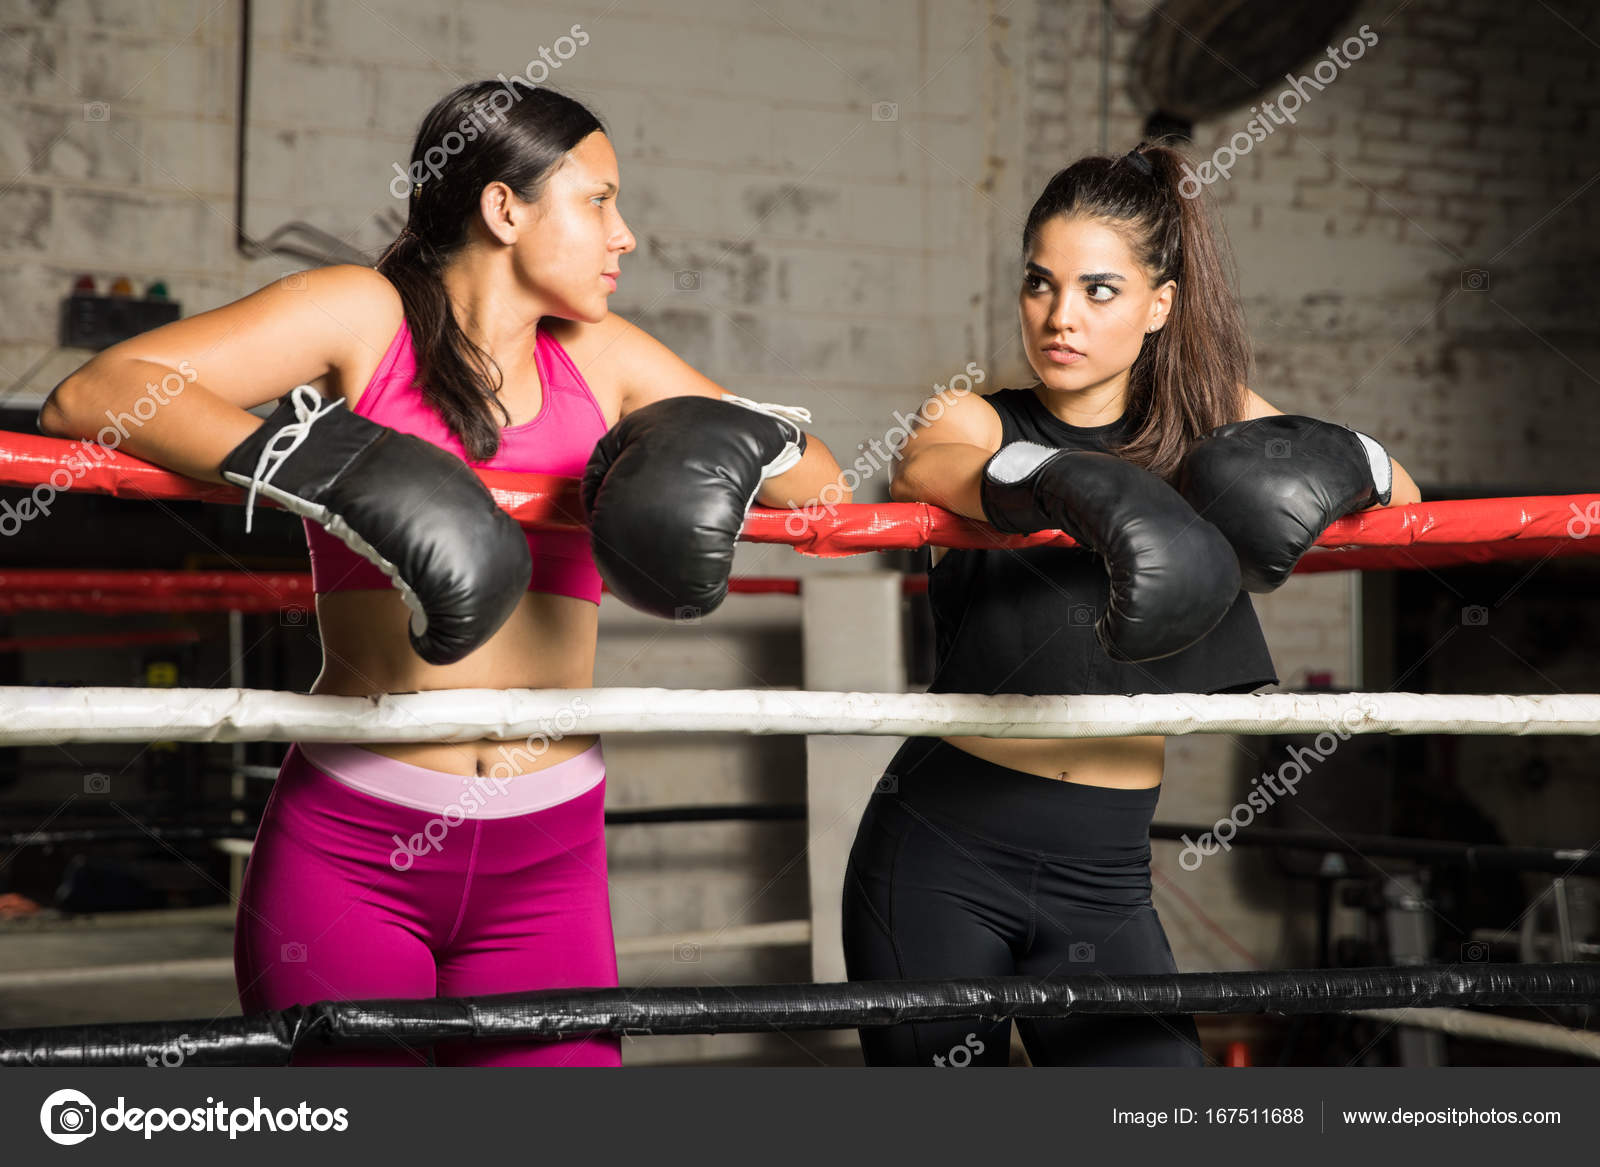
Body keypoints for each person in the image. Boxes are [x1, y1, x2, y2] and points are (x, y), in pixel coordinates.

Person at [37, 81, 847, 1067]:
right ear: (504, 209)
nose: (624, 234)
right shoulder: (361, 314)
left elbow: (823, 483)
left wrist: (722, 439)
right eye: (597, 200)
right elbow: (95, 394)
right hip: (351, 850)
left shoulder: (604, 359)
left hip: (548, 857)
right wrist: (335, 467)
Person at [841, 140, 1420, 1067]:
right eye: (1040, 284)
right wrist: (1069, 482)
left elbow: (1408, 496)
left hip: (1103, 879)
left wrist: (1346, 461)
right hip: (942, 855)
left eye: (1098, 290)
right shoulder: (980, 417)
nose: (1059, 316)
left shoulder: (1209, 424)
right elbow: (930, 466)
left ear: (1161, 305)